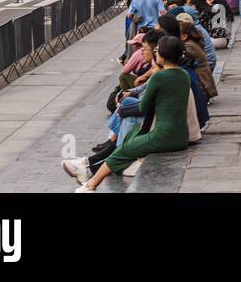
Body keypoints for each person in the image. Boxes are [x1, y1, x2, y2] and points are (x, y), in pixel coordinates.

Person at [64, 34, 191, 191]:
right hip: (182, 135)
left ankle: (90, 185)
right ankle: (87, 172)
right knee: (129, 143)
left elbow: (142, 107)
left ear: (163, 55)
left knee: (124, 150)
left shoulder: (159, 76)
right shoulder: (184, 75)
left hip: (164, 136)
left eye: (157, 51)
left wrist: (122, 111)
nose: (155, 53)